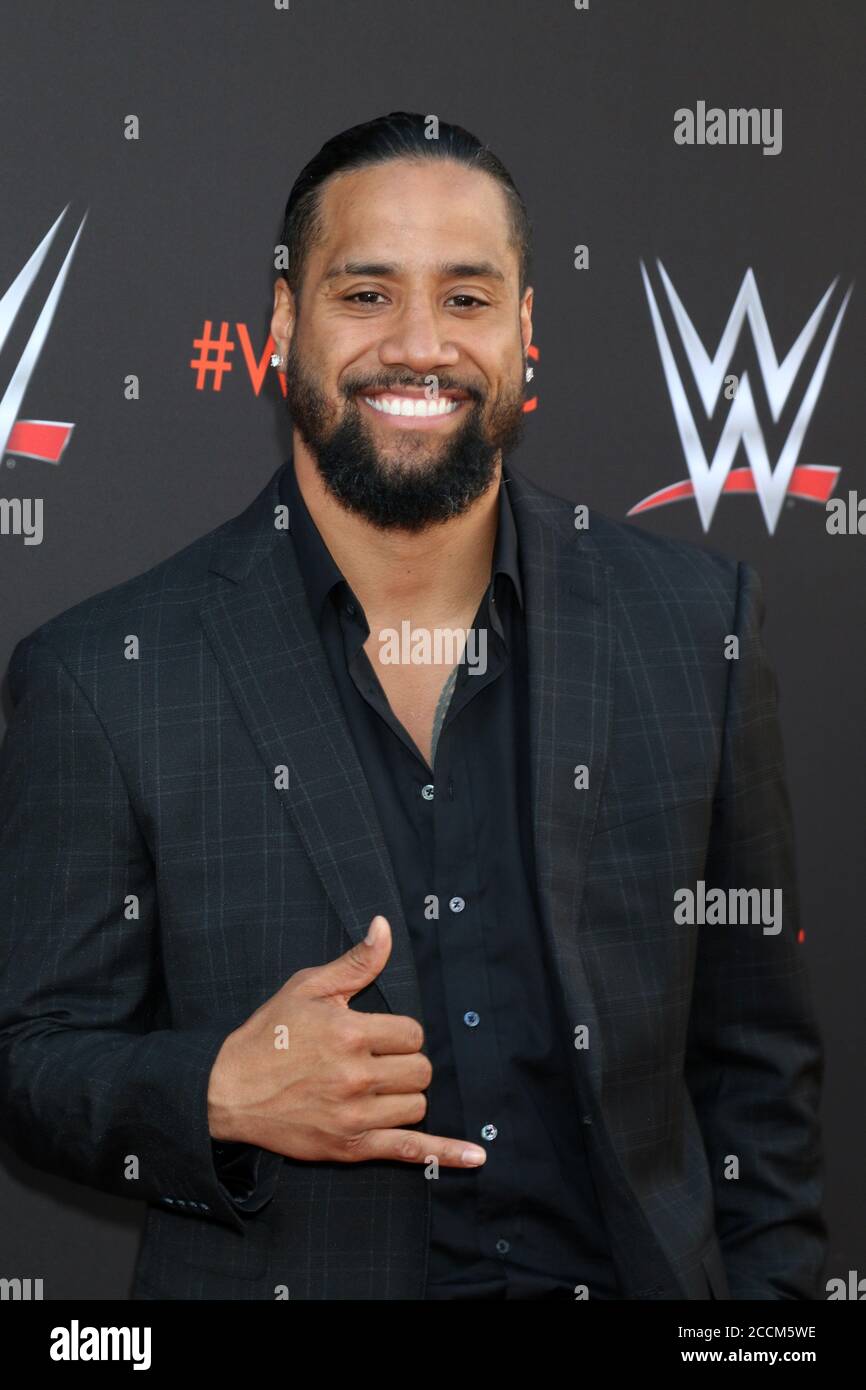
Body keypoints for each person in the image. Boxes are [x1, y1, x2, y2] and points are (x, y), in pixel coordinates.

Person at [0, 112, 825, 1300]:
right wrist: (217, 1092)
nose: (419, 345)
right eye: (367, 294)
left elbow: (758, 1072)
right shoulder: (106, 670)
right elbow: (30, 1056)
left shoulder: (695, 629)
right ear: (282, 326)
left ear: (526, 332)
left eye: (468, 298)